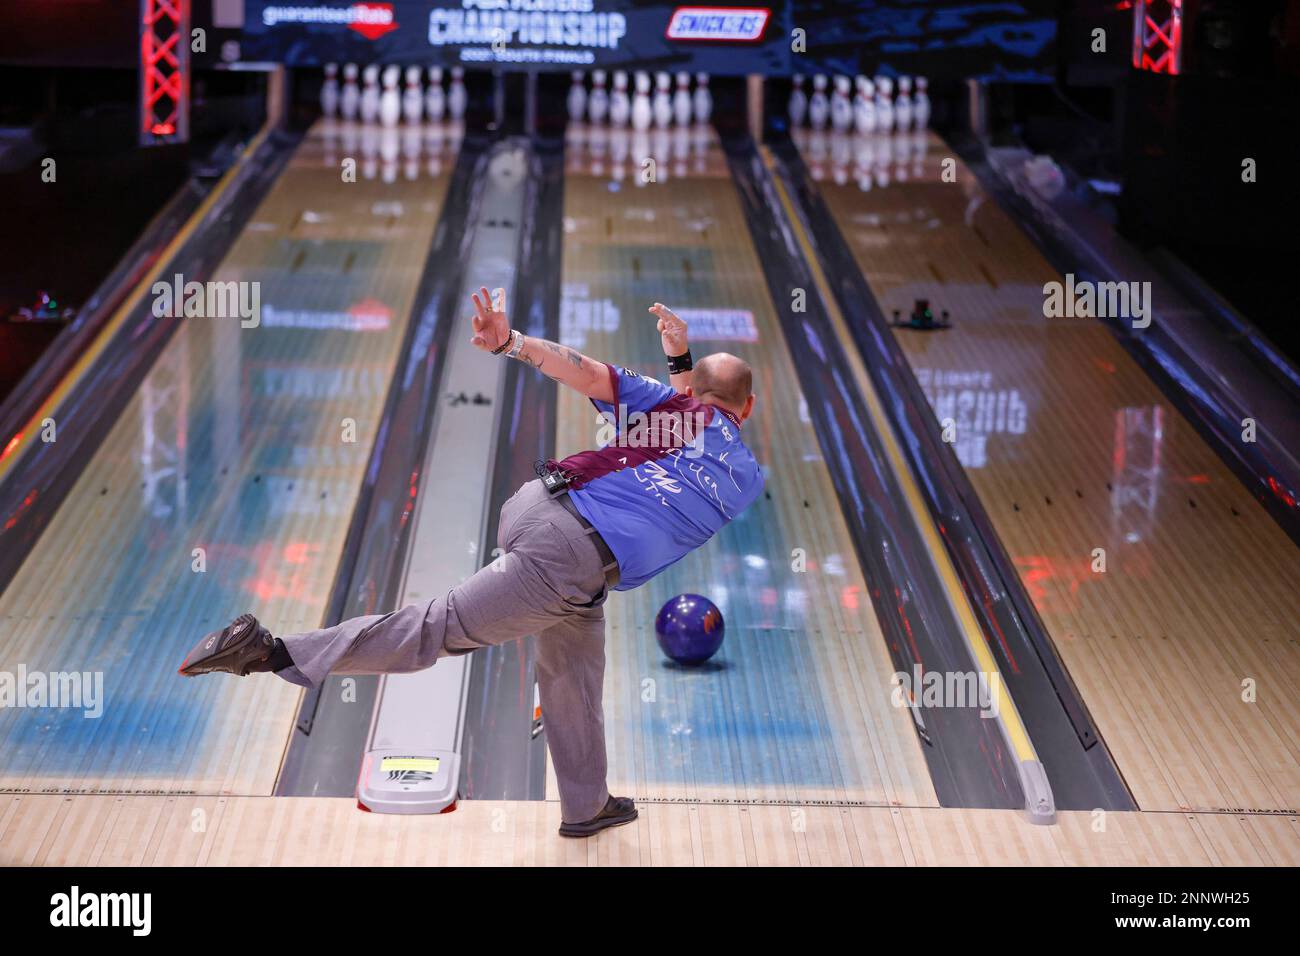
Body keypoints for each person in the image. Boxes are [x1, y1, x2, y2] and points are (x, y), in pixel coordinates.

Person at [179, 287, 764, 837]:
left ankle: (587, 805)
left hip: (546, 515)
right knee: (433, 630)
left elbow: (585, 371)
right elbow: (702, 417)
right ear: (751, 407)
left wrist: (512, 342)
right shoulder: (746, 477)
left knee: (575, 662)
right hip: (566, 558)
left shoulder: (668, 411)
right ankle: (271, 650)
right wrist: (684, 361)